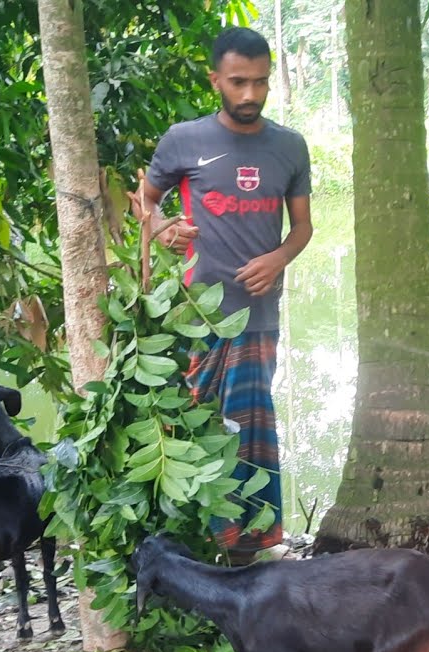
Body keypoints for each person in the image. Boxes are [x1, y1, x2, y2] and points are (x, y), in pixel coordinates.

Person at [130, 26, 313, 563]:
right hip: (193, 318)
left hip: (257, 318)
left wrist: (279, 258)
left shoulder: (289, 146)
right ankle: (188, 547)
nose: (250, 94)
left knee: (250, 432)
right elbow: (144, 202)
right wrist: (163, 228)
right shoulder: (184, 140)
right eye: (238, 82)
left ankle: (246, 549)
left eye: (260, 83)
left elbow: (302, 228)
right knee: (192, 428)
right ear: (216, 81)